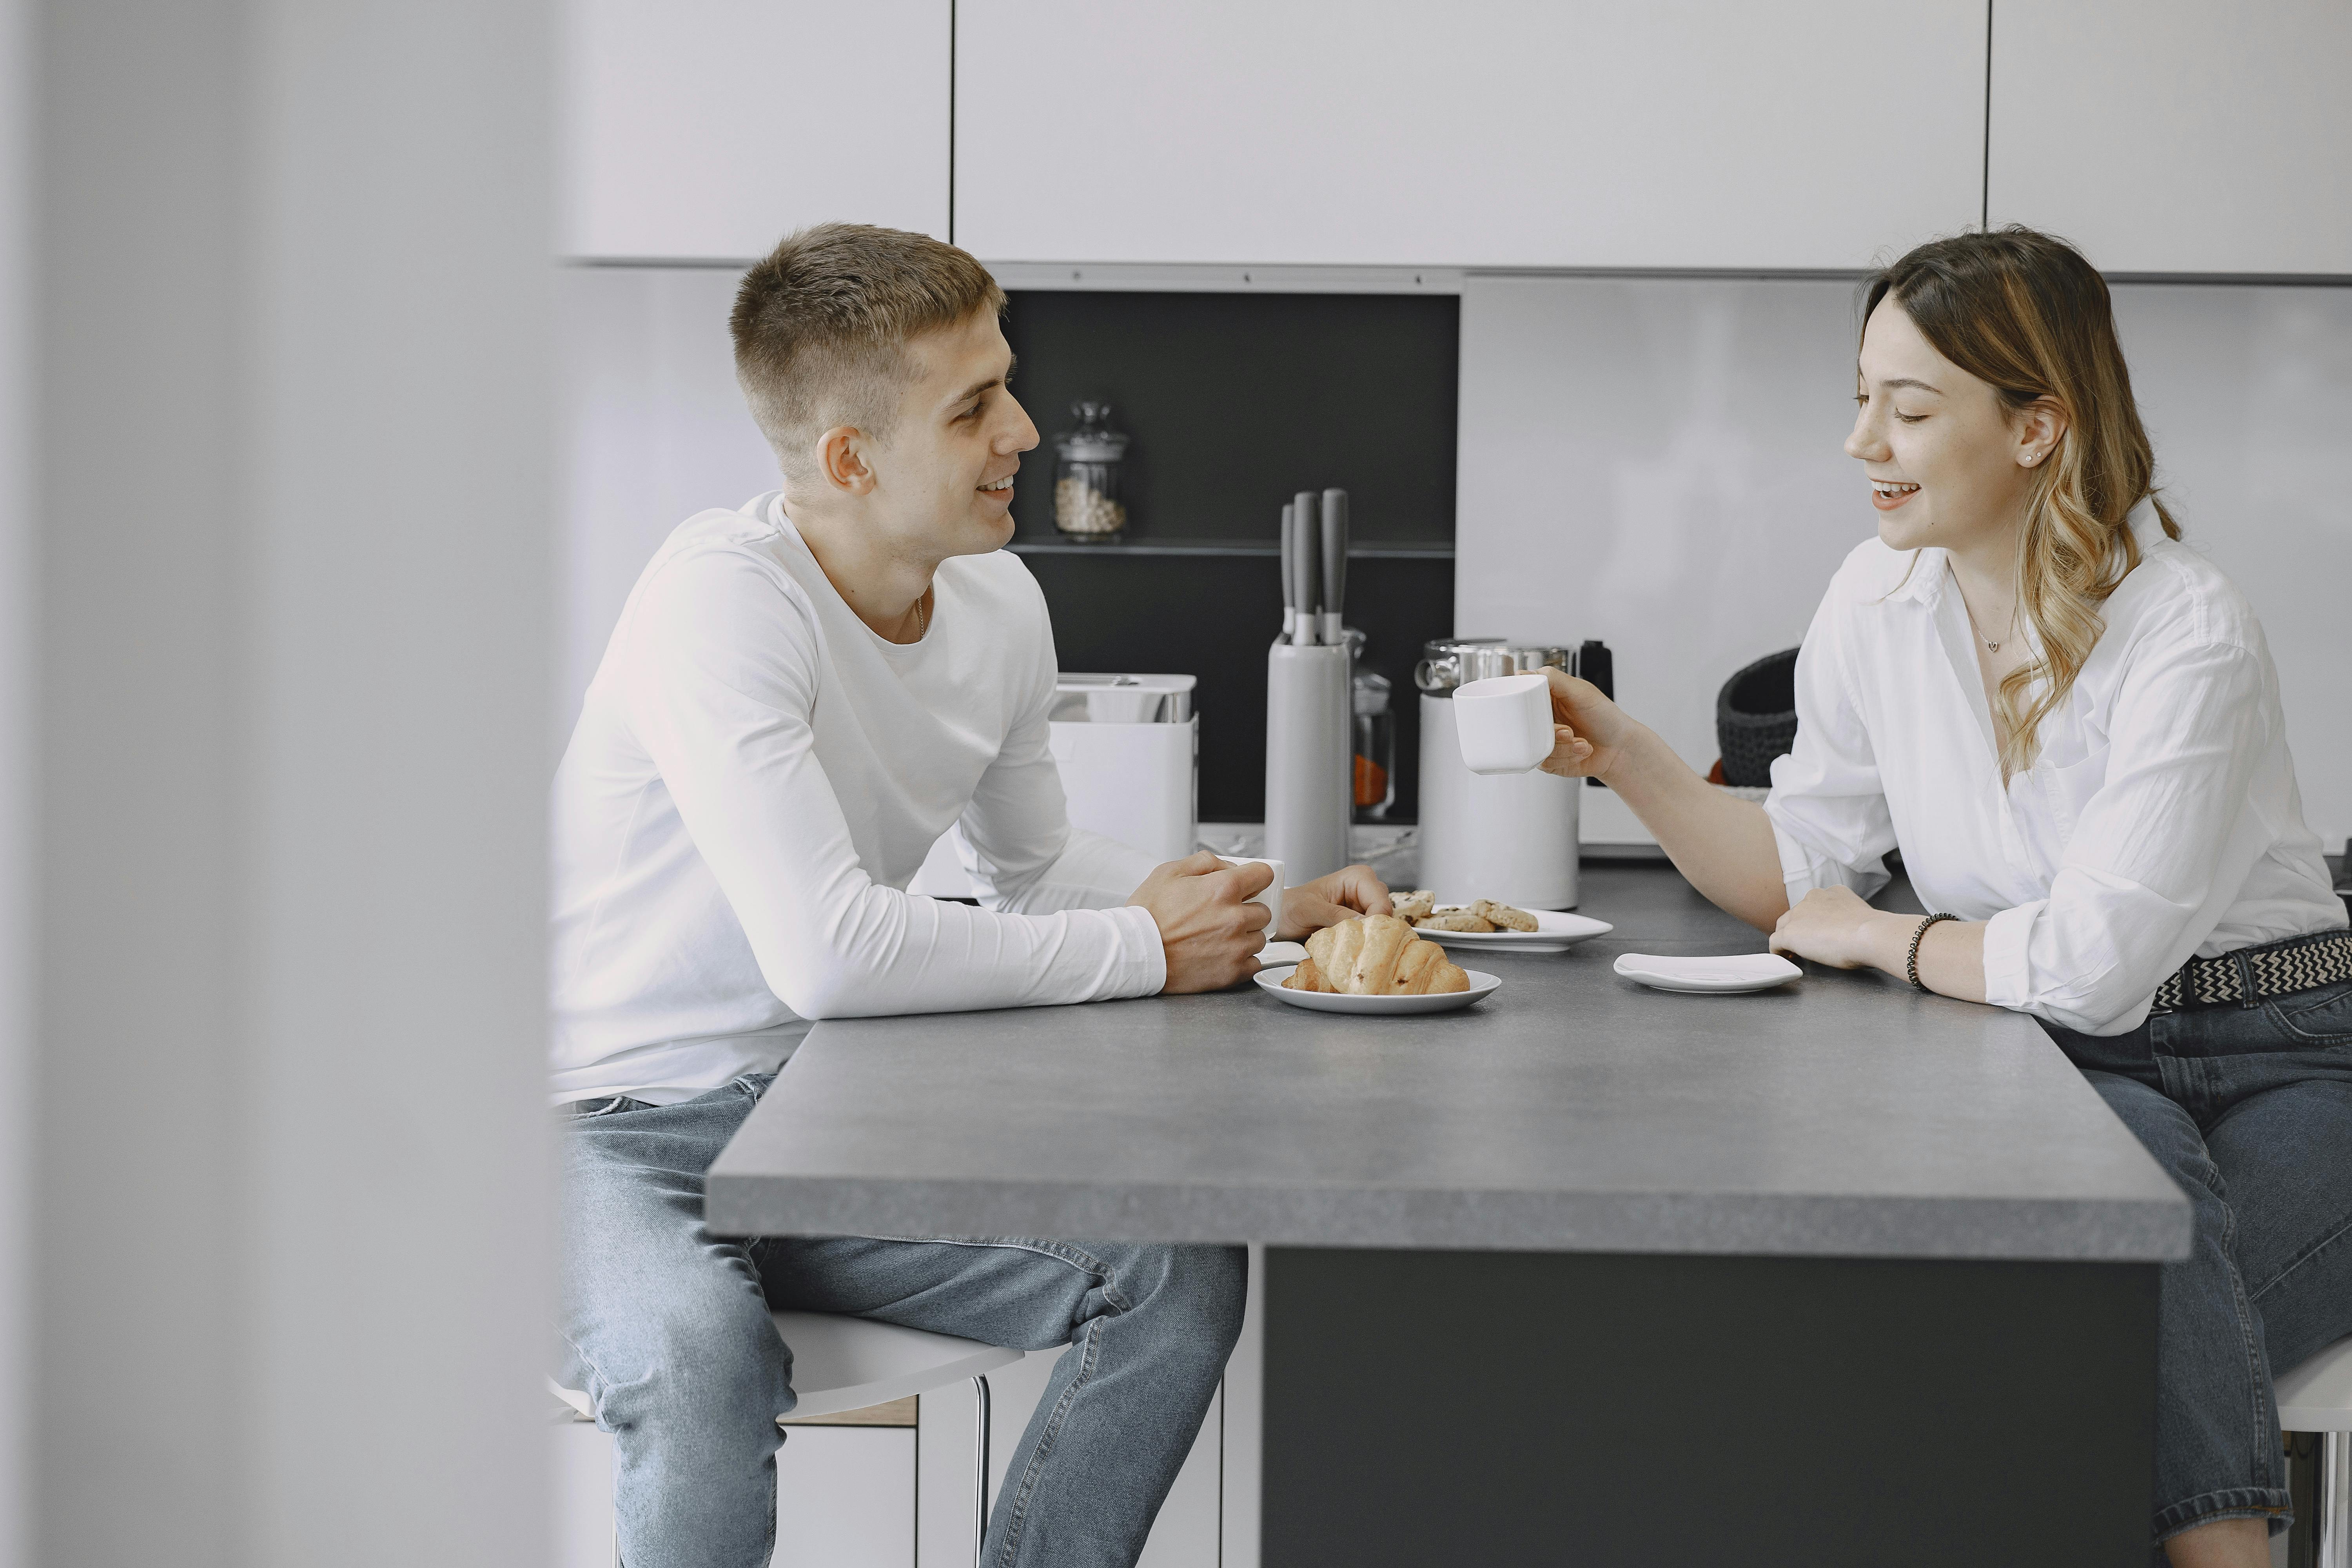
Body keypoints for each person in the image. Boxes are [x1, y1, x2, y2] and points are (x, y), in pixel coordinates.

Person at [550, 223, 1390, 1568]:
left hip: (820, 1118)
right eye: (975, 406)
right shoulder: (716, 604)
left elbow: (1035, 868)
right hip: (594, 1127)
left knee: (1173, 1270)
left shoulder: (998, 603)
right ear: (850, 459)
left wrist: (1257, 903)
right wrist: (1142, 951)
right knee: (699, 1359)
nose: (1027, 430)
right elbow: (827, 954)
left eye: (1007, 382)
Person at [1537, 228, 2350, 1568]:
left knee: (2091, 1339)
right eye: (1863, 398)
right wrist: (1624, 754)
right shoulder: (1880, 593)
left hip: (2283, 1054)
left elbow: (2090, 964)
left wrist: (1890, 938)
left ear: (2039, 427)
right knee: (2093, 1335)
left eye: (1908, 410)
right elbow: (1803, 872)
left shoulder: (2189, 629)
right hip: (2071, 1057)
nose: (1864, 442)